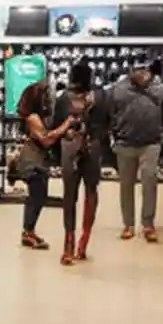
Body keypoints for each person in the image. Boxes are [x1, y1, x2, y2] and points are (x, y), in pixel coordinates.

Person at [49, 63, 109, 265]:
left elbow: (55, 126)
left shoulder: (65, 99)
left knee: (72, 195)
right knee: (87, 193)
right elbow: (108, 124)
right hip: (89, 147)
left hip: (73, 147)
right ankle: (80, 241)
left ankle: (72, 243)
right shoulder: (99, 96)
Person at [109, 59, 163, 242]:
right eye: (137, 70)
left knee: (149, 182)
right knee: (126, 185)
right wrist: (114, 135)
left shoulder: (162, 91)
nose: (141, 74)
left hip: (151, 143)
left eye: (144, 70)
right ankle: (128, 224)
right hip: (125, 143)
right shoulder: (118, 90)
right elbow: (110, 114)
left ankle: (148, 224)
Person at [16, 78, 55, 249]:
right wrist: (64, 127)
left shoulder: (38, 117)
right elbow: (46, 141)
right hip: (32, 161)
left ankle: (29, 231)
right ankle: (27, 231)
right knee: (37, 196)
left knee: (38, 196)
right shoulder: (33, 118)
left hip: (37, 160)